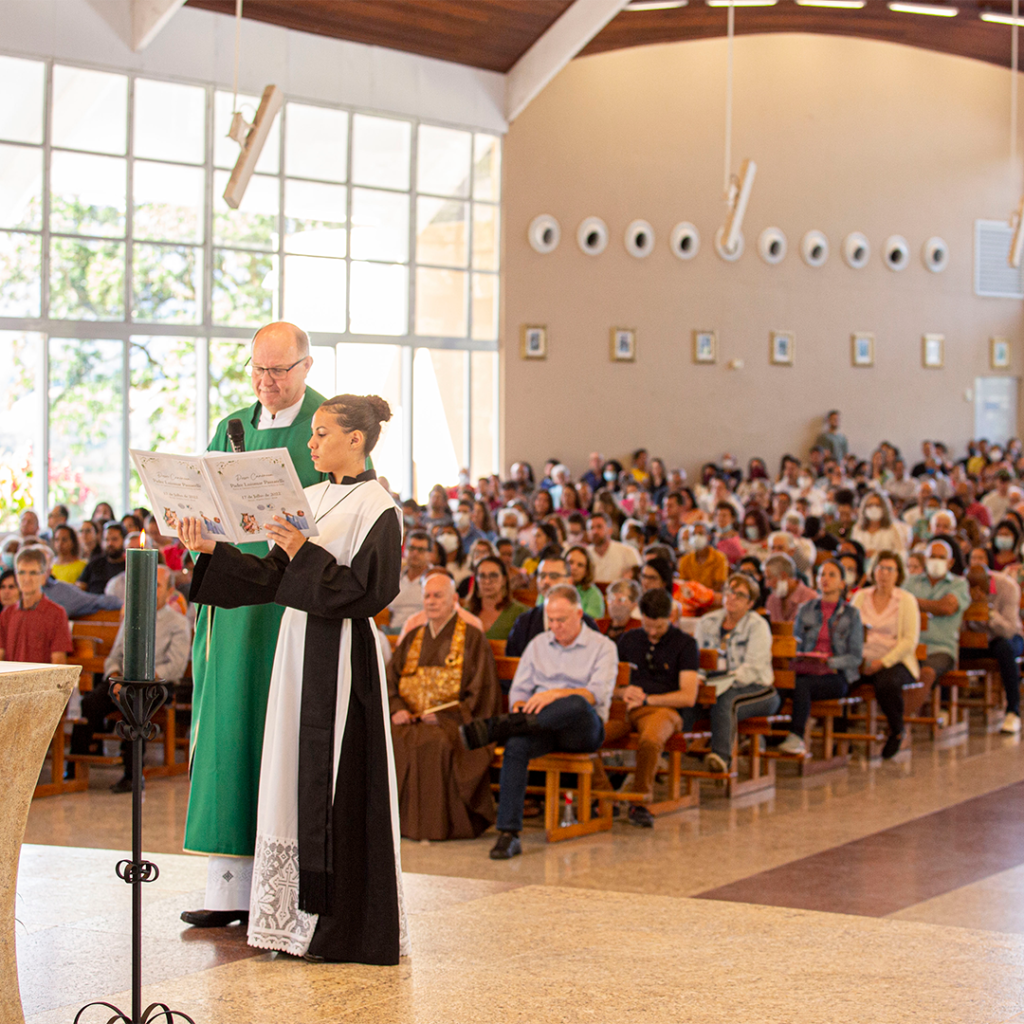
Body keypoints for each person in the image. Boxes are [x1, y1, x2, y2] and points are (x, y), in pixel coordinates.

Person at [181, 392, 405, 964]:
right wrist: (212, 548)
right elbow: (269, 577)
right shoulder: (310, 496)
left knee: (330, 781)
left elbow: (368, 592)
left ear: (356, 439)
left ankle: (337, 925)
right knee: (287, 775)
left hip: (339, 657)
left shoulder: (379, 507)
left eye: (321, 434)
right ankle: (289, 920)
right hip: (296, 646)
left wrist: (305, 552)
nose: (310, 443)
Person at [181, 321, 327, 932]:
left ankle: (285, 887)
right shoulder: (233, 426)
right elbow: (206, 496)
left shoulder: (329, 424)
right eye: (259, 370)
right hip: (230, 603)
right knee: (228, 730)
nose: (267, 383)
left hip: (283, 604)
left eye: (279, 371)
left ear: (306, 367)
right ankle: (226, 887)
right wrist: (193, 525)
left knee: (278, 732)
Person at [460, 585, 618, 860]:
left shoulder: (602, 647)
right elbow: (520, 693)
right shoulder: (537, 645)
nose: (555, 626)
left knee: (576, 703)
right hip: (540, 726)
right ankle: (508, 834)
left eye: (562, 620)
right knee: (518, 745)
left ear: (579, 614)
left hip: (582, 729)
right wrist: (522, 705)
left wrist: (554, 694)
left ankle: (503, 727)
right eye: (551, 619)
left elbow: (596, 695)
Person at [387, 573, 500, 840]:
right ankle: (398, 825)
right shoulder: (413, 636)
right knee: (391, 738)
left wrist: (445, 717)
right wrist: (396, 709)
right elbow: (390, 681)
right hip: (410, 721)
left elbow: (483, 694)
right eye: (427, 596)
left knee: (434, 742)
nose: (431, 601)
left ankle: (441, 826)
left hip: (452, 724)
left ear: (454, 600)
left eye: (438, 596)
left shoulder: (472, 638)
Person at [70, 565, 192, 790]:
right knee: (89, 704)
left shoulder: (178, 623)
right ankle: (74, 770)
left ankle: (132, 775)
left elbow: (175, 666)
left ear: (169, 591)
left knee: (135, 709)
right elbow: (115, 655)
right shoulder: (132, 617)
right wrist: (115, 677)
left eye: (157, 585)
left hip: (157, 685)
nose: (151, 590)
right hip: (123, 682)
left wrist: (143, 680)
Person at [600, 588, 699, 827]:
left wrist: (649, 700)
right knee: (590, 736)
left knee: (651, 740)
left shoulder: (685, 644)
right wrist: (623, 692)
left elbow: (688, 696)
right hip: (626, 706)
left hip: (663, 708)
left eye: (659, 627)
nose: (652, 632)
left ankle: (640, 800)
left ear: (671, 618)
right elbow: (606, 683)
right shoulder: (629, 639)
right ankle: (603, 795)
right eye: (648, 626)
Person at [689, 573, 779, 774]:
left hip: (756, 688)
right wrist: (699, 678)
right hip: (715, 684)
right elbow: (699, 659)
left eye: (739, 595)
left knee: (727, 701)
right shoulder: (707, 622)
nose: (732, 598)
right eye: (729, 591)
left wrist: (721, 684)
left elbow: (752, 668)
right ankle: (669, 756)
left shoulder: (757, 626)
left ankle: (721, 758)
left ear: (750, 603)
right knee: (688, 698)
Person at [778, 560, 864, 756]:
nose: (825, 579)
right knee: (780, 682)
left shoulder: (851, 614)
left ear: (842, 583)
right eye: (822, 575)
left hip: (835, 674)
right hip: (807, 668)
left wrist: (829, 661)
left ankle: (796, 737)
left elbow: (855, 656)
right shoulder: (806, 609)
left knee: (802, 686)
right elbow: (796, 643)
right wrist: (801, 656)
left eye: (832, 575)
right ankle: (762, 736)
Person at [850, 551, 921, 758]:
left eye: (890, 569)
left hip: (895, 660)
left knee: (886, 683)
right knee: (841, 679)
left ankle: (896, 730)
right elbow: (847, 629)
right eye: (880, 568)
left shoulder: (906, 600)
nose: (884, 574)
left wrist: (883, 661)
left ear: (898, 574)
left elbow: (909, 641)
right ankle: (840, 732)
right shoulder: (861, 596)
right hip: (862, 657)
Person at [961, 564, 1024, 735]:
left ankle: (1013, 711)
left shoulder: (1008, 587)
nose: (975, 591)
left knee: (1005, 649)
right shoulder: (961, 587)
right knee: (951, 649)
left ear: (989, 581)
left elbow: (1009, 630)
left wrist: (987, 611)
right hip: (976, 639)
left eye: (980, 587)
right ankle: (945, 705)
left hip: (1006, 637)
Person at [904, 539, 970, 691]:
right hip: (910, 646)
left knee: (926, 673)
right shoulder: (911, 582)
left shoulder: (959, 584)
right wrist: (932, 605)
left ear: (950, 562)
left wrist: (911, 602)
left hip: (941, 648)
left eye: (942, 558)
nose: (936, 561)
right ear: (925, 559)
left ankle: (906, 712)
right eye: (933, 556)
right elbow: (897, 604)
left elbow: (946, 607)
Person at [504, 555, 599, 660]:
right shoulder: (524, 622)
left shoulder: (586, 623)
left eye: (554, 576)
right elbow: (514, 665)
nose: (546, 581)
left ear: (569, 581)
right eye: (542, 575)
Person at [0, 546, 73, 665]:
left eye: (33, 573)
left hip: (42, 682)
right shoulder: (7, 614)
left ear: (43, 576)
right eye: (21, 572)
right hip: (10, 682)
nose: (26, 579)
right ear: (16, 576)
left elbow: (58, 663)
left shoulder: (57, 613)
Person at [464, 556, 527, 640]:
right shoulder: (464, 614)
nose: (487, 581)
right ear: (476, 580)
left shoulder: (521, 613)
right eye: (482, 576)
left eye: (493, 576)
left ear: (504, 580)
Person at [388, 530, 433, 632]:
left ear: (430, 554)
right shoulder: (394, 577)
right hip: (393, 632)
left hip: (423, 633)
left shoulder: (435, 579)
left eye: (420, 550)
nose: (415, 553)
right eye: (411, 548)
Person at [587, 512, 641, 583]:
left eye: (599, 527)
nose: (595, 531)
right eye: (591, 528)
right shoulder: (584, 554)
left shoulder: (628, 552)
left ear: (610, 530)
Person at [763, 553, 816, 623]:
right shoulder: (772, 600)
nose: (767, 584)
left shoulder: (811, 598)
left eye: (769, 578)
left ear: (784, 575)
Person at [677, 521, 728, 592]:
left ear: (709, 537)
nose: (697, 537)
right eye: (694, 534)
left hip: (712, 598)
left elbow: (719, 585)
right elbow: (683, 583)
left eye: (701, 534)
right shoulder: (685, 560)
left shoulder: (719, 558)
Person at [77, 523, 127, 594]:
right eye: (106, 540)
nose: (110, 544)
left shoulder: (129, 565)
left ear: (124, 540)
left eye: (114, 539)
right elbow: (80, 586)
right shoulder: (95, 563)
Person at [565, 544, 606, 619]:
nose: (574, 568)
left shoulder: (594, 595)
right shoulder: (550, 587)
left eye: (580, 565)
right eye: (570, 562)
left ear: (587, 571)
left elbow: (589, 624)